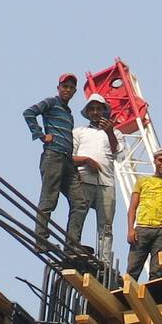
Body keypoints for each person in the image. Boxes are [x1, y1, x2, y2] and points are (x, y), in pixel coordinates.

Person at [67, 94, 123, 264]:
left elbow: (118, 153)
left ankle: (105, 261)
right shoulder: (79, 132)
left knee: (106, 226)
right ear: (88, 113)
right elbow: (68, 157)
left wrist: (110, 132)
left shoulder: (115, 133)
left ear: (104, 111)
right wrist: (86, 160)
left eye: (99, 108)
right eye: (92, 109)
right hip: (84, 180)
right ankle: (71, 249)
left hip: (106, 183)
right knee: (77, 217)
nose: (96, 112)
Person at [23, 73, 78, 245]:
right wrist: (40, 134)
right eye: (65, 87)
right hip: (53, 155)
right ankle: (41, 239)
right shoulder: (52, 102)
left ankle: (72, 244)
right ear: (58, 88)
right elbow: (29, 113)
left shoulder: (69, 114)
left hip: (67, 161)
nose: (67, 90)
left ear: (74, 91)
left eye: (71, 87)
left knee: (80, 202)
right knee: (49, 198)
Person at [126, 149, 162, 280]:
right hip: (142, 229)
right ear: (155, 161)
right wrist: (130, 229)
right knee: (132, 268)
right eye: (160, 160)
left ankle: (153, 297)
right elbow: (132, 208)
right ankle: (127, 297)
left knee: (157, 271)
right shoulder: (142, 181)